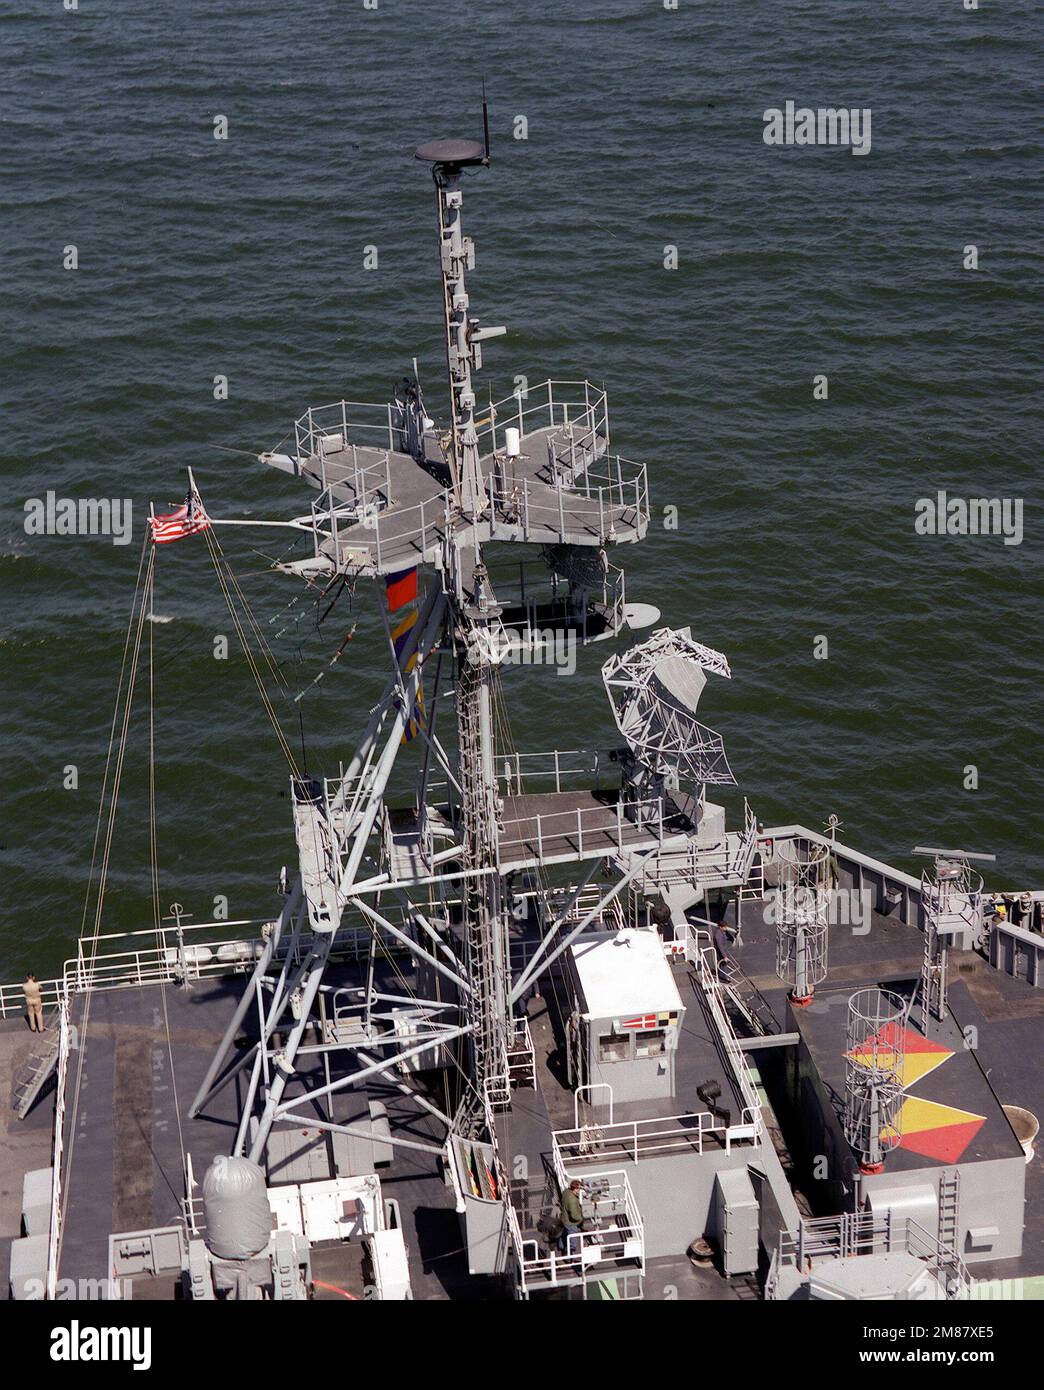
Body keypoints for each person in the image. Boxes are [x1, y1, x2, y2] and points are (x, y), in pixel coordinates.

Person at [558, 1179, 584, 1255]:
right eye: (579, 1188)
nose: (579, 1190)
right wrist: (581, 1219)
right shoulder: (572, 1200)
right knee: (573, 1239)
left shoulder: (566, 1192)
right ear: (575, 1188)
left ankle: (562, 1247)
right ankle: (568, 1253)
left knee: (564, 1234)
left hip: (563, 1218)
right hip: (570, 1222)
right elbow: (574, 1215)